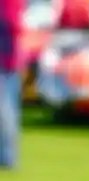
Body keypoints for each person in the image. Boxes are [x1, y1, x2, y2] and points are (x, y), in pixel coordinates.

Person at [0, 0, 20, 170]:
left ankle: (8, 158)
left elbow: (12, 23)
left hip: (5, 62)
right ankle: (7, 157)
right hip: (8, 61)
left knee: (6, 111)